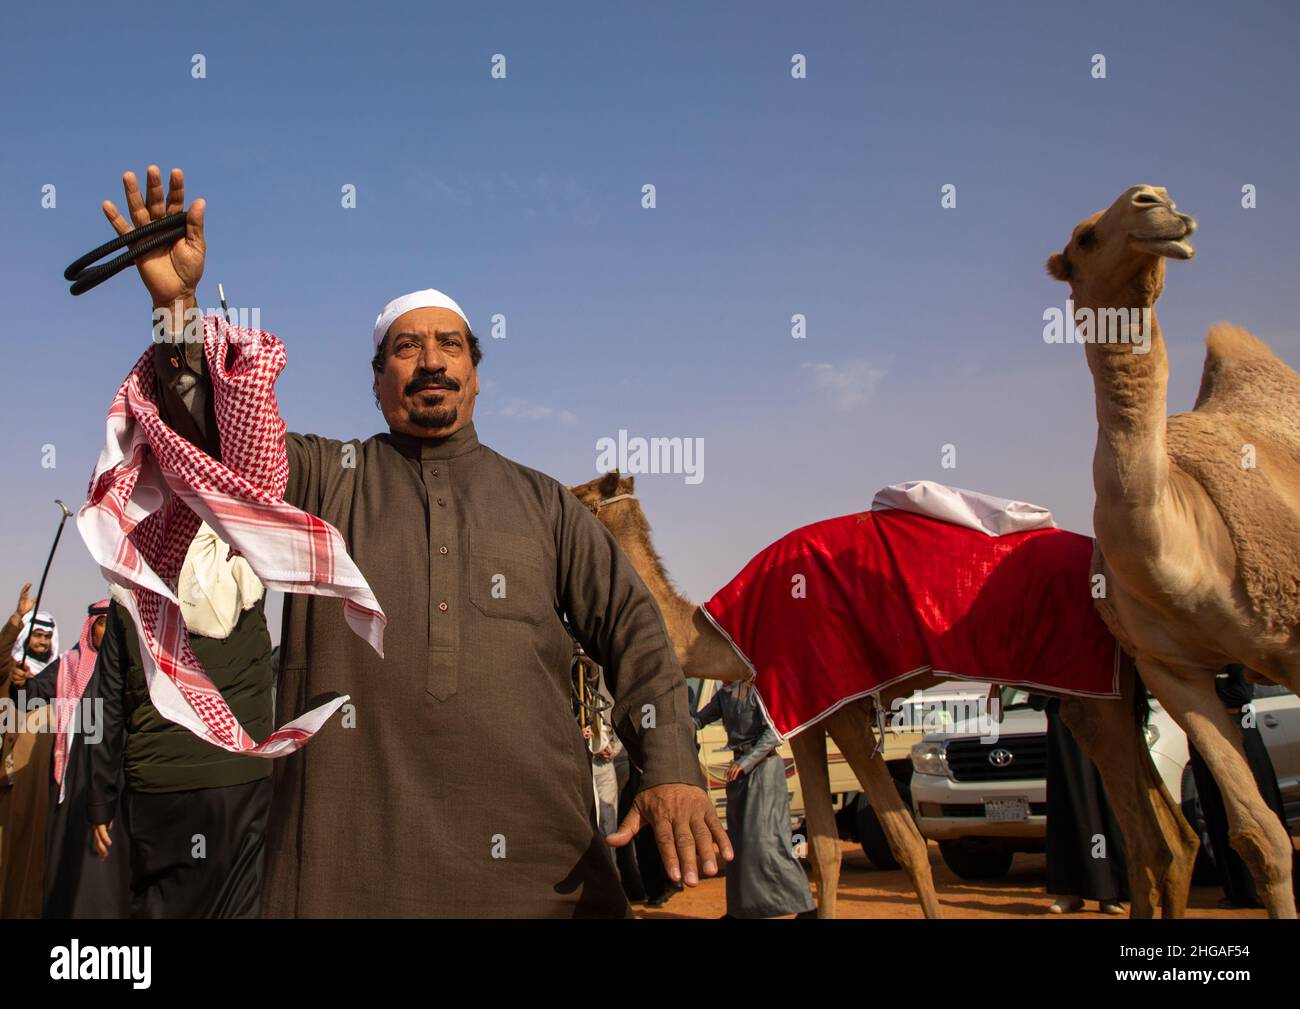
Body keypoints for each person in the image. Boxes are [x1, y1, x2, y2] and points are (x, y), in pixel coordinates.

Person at [90, 164, 728, 917]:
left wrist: (670, 765)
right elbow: (218, 444)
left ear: (477, 375)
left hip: (540, 877)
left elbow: (636, 632)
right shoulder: (329, 479)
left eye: (450, 345)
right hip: (346, 874)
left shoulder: (545, 504)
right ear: (376, 379)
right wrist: (177, 309)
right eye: (407, 347)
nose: (431, 360)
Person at [86, 524, 275, 918]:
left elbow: (104, 704)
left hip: (157, 790)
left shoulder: (130, 594)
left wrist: (101, 800)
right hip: (236, 780)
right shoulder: (245, 574)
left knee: (160, 904)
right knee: (235, 906)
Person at [9, 598, 131, 917]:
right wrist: (21, 683)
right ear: (91, 627)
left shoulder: (132, 670)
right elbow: (30, 695)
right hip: (72, 773)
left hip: (115, 777)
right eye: (103, 624)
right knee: (65, 852)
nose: (109, 632)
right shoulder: (68, 665)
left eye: (115, 625)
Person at [693, 680, 814, 919]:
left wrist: (746, 761)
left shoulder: (756, 691)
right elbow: (699, 719)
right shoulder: (725, 694)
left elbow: (775, 732)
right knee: (739, 843)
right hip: (739, 774)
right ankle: (739, 910)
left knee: (769, 840)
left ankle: (806, 907)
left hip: (764, 770)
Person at [1187, 664, 1290, 909]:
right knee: (1217, 813)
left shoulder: (1231, 660)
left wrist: (1200, 698)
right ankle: (1238, 891)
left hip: (1241, 736)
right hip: (1204, 740)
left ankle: (1264, 887)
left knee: (1256, 811)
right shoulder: (1193, 663)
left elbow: (1241, 695)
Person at [1039, 695, 1128, 914]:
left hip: (1098, 712)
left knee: (1100, 810)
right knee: (1066, 807)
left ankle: (1108, 891)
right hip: (1062, 715)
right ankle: (1068, 892)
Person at [0, 593, 56, 917]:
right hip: (15, 774)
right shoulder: (13, 672)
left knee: (37, 859)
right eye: (36, 634)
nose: (42, 641)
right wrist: (16, 619)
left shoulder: (61, 672)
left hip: (47, 780)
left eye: (46, 635)